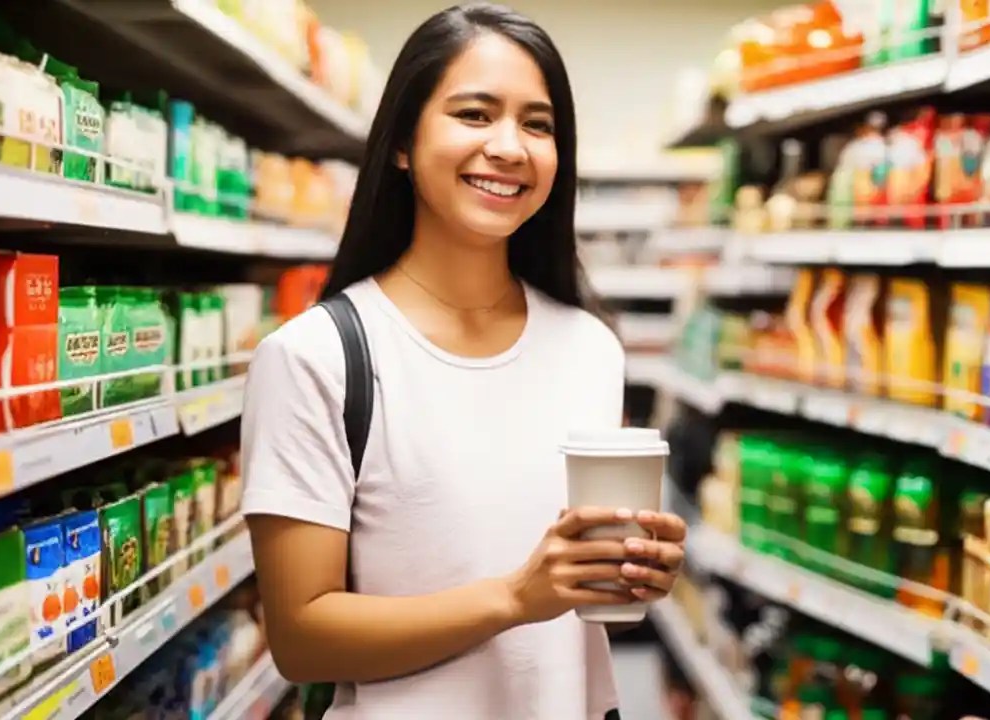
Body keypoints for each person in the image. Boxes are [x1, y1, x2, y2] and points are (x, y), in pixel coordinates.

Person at [239, 4, 688, 719]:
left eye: (538, 125)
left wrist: (632, 574)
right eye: (474, 114)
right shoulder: (316, 358)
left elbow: (584, 611)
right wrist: (515, 597)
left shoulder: (589, 348)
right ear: (403, 145)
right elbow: (301, 638)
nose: (509, 146)